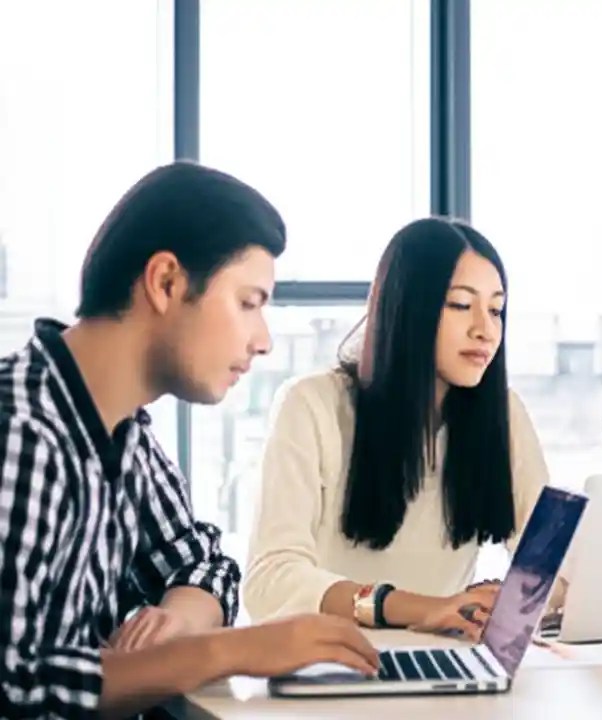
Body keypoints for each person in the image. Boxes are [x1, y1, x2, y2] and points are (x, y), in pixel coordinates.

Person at [0, 162, 378, 719]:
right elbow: (17, 685)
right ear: (166, 282)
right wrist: (231, 651)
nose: (264, 340)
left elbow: (204, 563)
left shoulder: (124, 434)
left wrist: (175, 622)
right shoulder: (24, 433)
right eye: (248, 303)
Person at [244, 218, 549, 641]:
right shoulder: (312, 405)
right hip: (334, 662)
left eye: (496, 309)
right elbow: (269, 582)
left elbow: (548, 564)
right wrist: (419, 608)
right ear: (408, 307)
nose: (485, 329)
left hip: (446, 664)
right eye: (461, 305)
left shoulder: (504, 414)